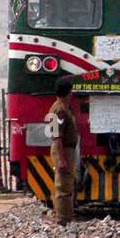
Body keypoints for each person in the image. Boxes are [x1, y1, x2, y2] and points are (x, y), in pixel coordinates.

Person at [47, 75, 80, 226]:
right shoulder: (59, 109)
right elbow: (57, 136)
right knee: (63, 185)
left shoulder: (61, 107)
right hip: (63, 149)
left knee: (67, 184)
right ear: (69, 92)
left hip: (66, 148)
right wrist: (61, 158)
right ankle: (63, 219)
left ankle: (66, 216)